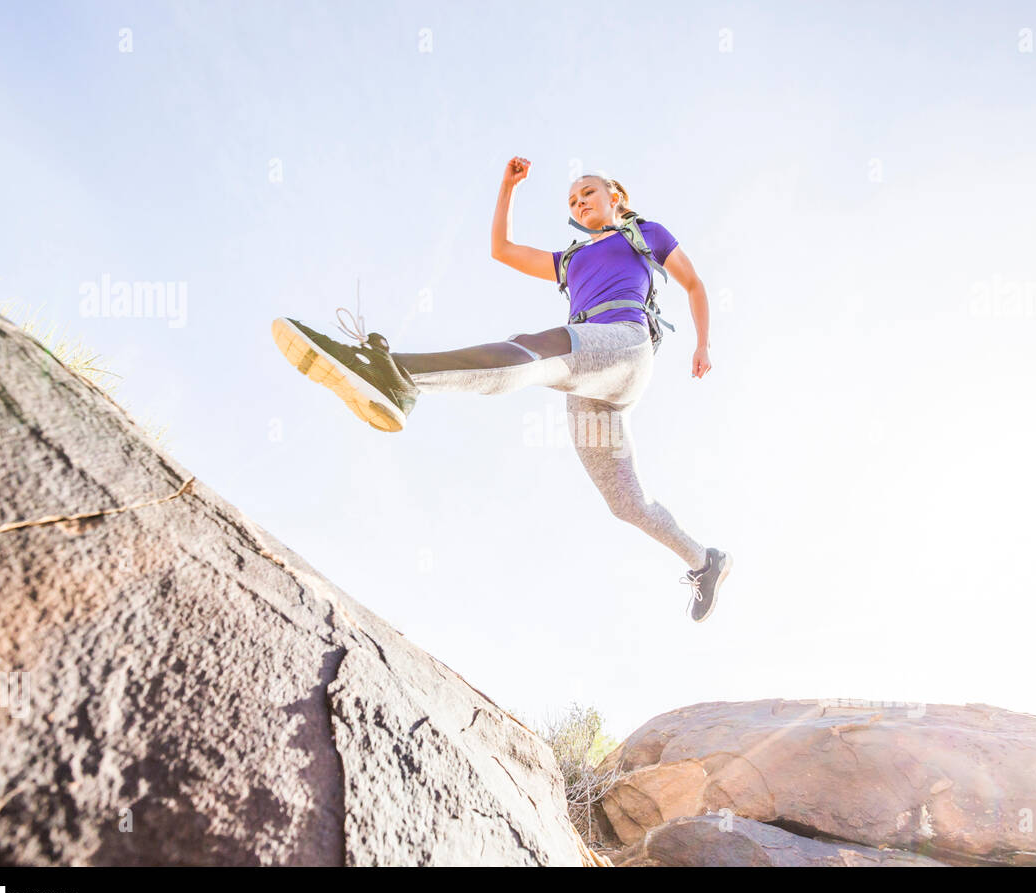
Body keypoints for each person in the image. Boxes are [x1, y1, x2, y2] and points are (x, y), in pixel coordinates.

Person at [270, 157, 732, 621]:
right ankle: (704, 561)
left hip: (625, 347)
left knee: (531, 351)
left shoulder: (646, 234)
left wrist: (703, 344)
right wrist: (507, 188)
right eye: (573, 199)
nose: (579, 201)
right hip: (589, 378)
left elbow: (693, 283)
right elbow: (502, 249)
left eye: (588, 192)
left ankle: (393, 373)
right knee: (626, 502)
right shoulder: (570, 259)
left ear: (616, 197)